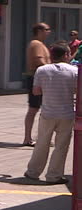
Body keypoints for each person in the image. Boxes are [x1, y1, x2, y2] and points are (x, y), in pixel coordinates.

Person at [23, 42, 77, 185]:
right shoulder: (74, 71)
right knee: (61, 146)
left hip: (47, 112)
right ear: (66, 55)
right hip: (66, 113)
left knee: (42, 143)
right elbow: (77, 90)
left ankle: (33, 172)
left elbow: (36, 91)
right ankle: (54, 175)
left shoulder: (42, 70)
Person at [24, 22, 51, 147]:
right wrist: (53, 70)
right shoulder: (36, 44)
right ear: (39, 31)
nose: (49, 32)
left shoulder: (39, 44)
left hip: (39, 79)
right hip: (37, 79)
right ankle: (28, 138)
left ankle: (40, 138)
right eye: (47, 29)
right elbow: (39, 61)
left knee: (41, 109)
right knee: (34, 109)